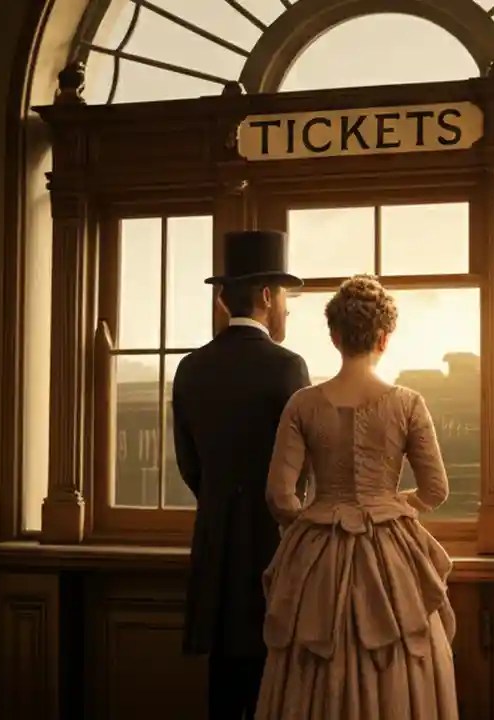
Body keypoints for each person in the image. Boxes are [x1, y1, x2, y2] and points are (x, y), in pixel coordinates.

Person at [256, 275, 458, 719]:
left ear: (335, 336)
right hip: (392, 555)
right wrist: (395, 505)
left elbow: (279, 495)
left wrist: (309, 526)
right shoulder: (407, 403)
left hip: (317, 554)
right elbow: (436, 490)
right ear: (385, 338)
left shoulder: (303, 404)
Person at [172, 230, 311, 720]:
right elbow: (301, 468)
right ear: (267, 296)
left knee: (223, 688)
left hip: (213, 543)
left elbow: (190, 466)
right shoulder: (288, 368)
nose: (288, 311)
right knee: (272, 684)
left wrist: (219, 503)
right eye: (285, 299)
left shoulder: (190, 369)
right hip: (271, 544)